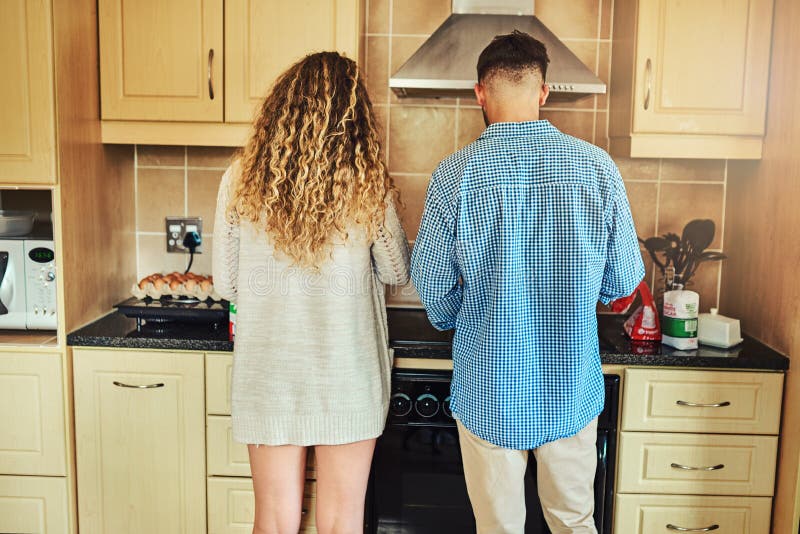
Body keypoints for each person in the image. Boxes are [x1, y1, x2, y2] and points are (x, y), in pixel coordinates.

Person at [410, 31, 644, 534]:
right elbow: (622, 281)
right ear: (543, 91)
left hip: (489, 386)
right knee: (573, 522)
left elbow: (430, 290)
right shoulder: (596, 168)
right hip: (569, 389)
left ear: (480, 92)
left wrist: (470, 313)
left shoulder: (455, 174)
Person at [212, 51, 410, 534]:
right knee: (341, 523)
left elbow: (226, 283)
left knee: (275, 522)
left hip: (269, 375)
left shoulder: (241, 180)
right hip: (346, 376)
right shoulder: (366, 185)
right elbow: (397, 271)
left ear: (282, 106)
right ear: (355, 117)